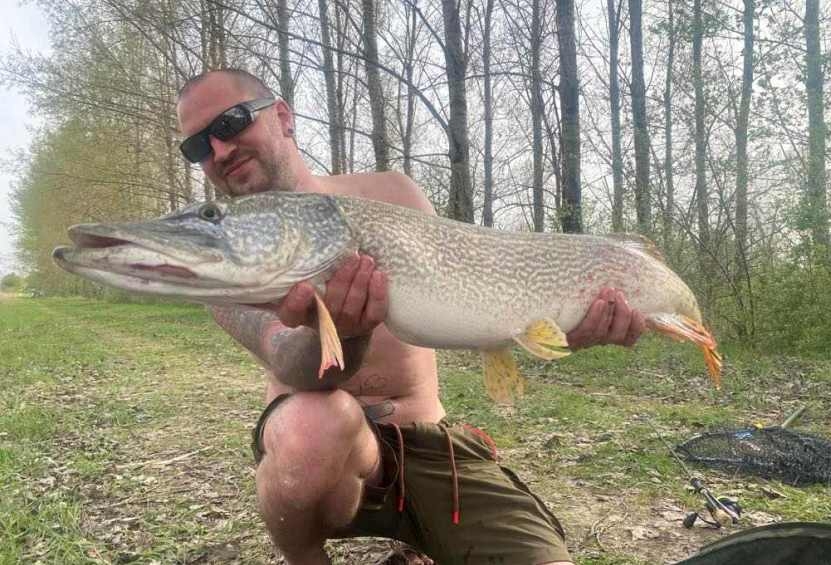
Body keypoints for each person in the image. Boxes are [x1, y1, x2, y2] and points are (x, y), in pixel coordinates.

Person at [176, 68, 646, 565]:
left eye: (231, 123)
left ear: (284, 117)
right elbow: (290, 363)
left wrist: (570, 325)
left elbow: (484, 297)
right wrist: (347, 335)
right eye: (197, 147)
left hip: (428, 443)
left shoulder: (392, 194)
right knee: (313, 424)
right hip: (316, 460)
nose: (219, 151)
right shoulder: (224, 259)